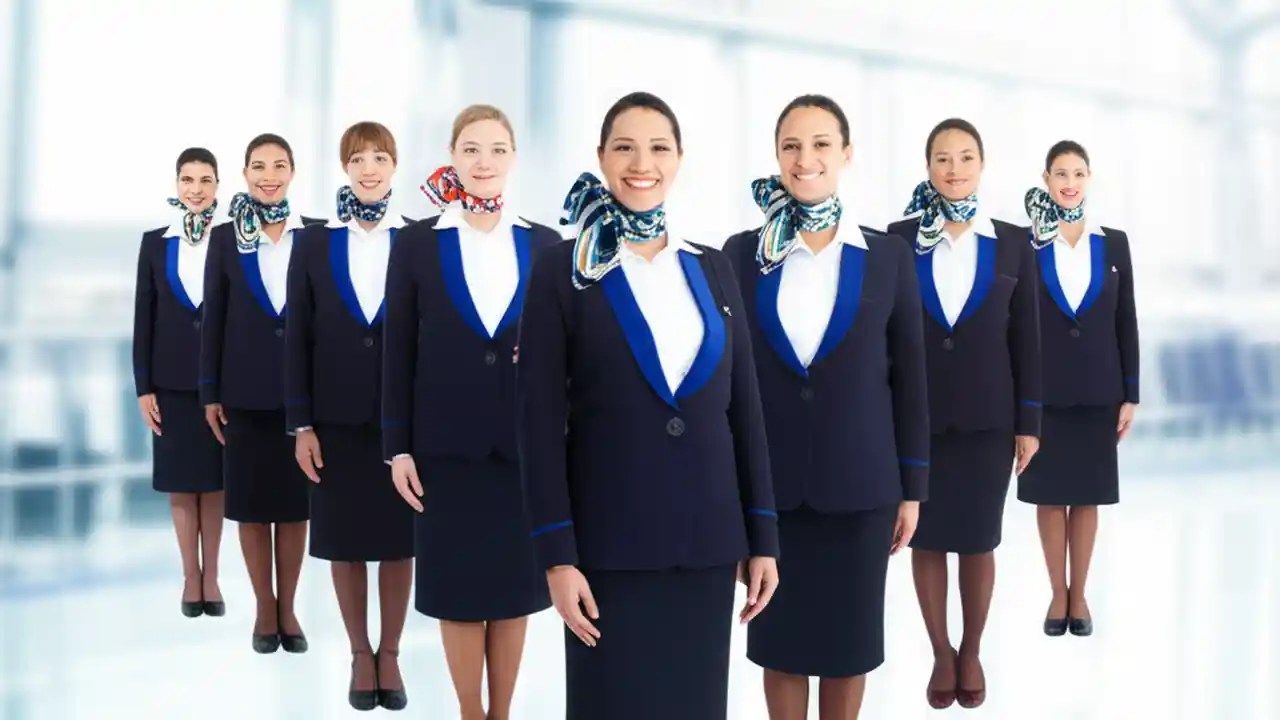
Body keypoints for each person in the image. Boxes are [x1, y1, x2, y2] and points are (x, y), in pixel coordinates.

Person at [517, 91, 780, 720]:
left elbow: (744, 410)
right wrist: (557, 557)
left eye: (659, 147)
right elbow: (536, 423)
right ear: (602, 159)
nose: (643, 162)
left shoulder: (712, 267)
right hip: (608, 549)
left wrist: (762, 535)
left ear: (680, 159)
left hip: (708, 545)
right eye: (625, 147)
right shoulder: (564, 270)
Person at [722, 94, 929, 720]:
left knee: (849, 648)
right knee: (779, 646)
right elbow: (727, 382)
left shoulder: (885, 257)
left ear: (845, 154)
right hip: (771, 492)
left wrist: (913, 488)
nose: (804, 158)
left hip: (862, 489)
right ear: (776, 156)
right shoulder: (740, 254)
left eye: (819, 144)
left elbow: (912, 379)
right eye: (791, 145)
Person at [382, 105, 554, 720]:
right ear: (452, 157)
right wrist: (396, 446)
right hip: (443, 448)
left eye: (498, 150)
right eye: (472, 150)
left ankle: (502, 712)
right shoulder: (416, 244)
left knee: (514, 593)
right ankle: (469, 712)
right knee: (457, 593)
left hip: (521, 449)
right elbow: (397, 350)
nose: (485, 162)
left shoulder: (546, 244)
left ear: (513, 159)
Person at [886, 118, 1042, 710]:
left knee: (978, 541)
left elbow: (1027, 338)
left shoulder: (1012, 242)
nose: (954, 169)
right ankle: (939, 651)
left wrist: (1029, 422)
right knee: (924, 539)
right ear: (928, 167)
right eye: (942, 159)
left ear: (982, 164)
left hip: (987, 420)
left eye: (965, 157)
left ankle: (971, 649)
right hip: (916, 419)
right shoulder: (898, 240)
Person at [285, 121, 415, 710]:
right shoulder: (314, 243)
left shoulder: (418, 239)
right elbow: (297, 339)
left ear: (394, 165)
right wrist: (301, 424)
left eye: (380, 157)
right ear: (344, 166)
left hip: (400, 424)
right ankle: (359, 653)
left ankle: (391, 652)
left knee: (397, 542)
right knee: (343, 543)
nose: (369, 168)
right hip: (333, 421)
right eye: (358, 158)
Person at [1017, 140, 1139, 638]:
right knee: (1049, 497)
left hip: (1098, 390)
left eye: (1079, 173)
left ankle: (1081, 593)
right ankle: (1056, 593)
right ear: (1045, 178)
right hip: (1042, 393)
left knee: (1086, 497)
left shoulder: (1113, 243)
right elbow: (1015, 324)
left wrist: (1130, 392)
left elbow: (1125, 319)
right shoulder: (1025, 244)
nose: (1069, 182)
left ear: (1090, 179)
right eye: (1060, 173)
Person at [133, 147, 227, 619]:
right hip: (168, 382)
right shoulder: (156, 242)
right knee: (179, 484)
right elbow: (143, 318)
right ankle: (190, 577)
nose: (196, 189)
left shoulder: (233, 239)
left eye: (205, 180)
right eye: (187, 179)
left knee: (213, 483)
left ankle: (213, 575)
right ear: (177, 184)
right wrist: (142, 386)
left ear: (217, 185)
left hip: (219, 384)